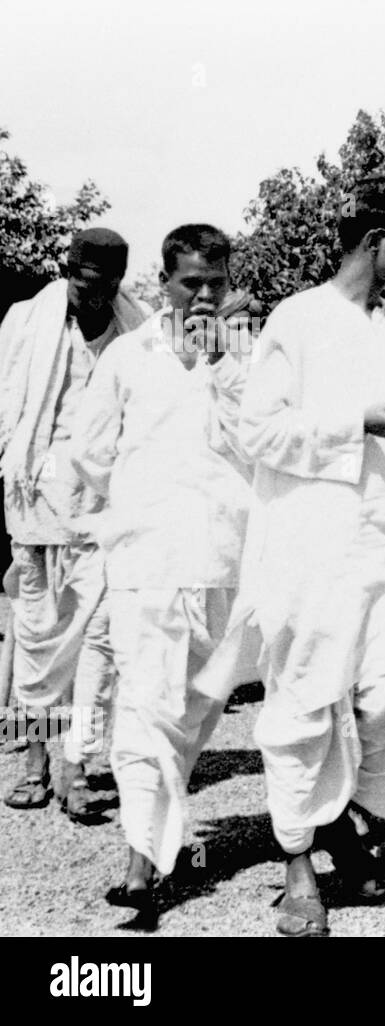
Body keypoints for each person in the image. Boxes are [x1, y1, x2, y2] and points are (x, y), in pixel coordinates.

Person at [196, 177, 385, 936]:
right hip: (313, 542)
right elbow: (260, 432)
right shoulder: (298, 318)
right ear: (373, 239)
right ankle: (296, 864)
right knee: (308, 699)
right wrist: (358, 424)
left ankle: (352, 810)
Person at [70, 225, 254, 916]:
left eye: (216, 282)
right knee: (145, 708)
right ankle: (141, 861)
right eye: (190, 283)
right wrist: (135, 504)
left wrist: (224, 363)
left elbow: (264, 444)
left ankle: (156, 834)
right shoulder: (127, 356)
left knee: (194, 715)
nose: (204, 295)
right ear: (163, 282)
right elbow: (89, 453)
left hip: (225, 562)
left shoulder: (249, 356)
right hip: (147, 560)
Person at [0, 228, 149, 820]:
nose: (95, 295)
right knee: (38, 637)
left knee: (97, 642)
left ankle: (75, 764)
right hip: (36, 502)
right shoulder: (25, 323)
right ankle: (33, 761)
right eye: (85, 282)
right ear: (68, 270)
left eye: (108, 285)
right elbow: (8, 407)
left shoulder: (136, 330)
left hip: (102, 506)